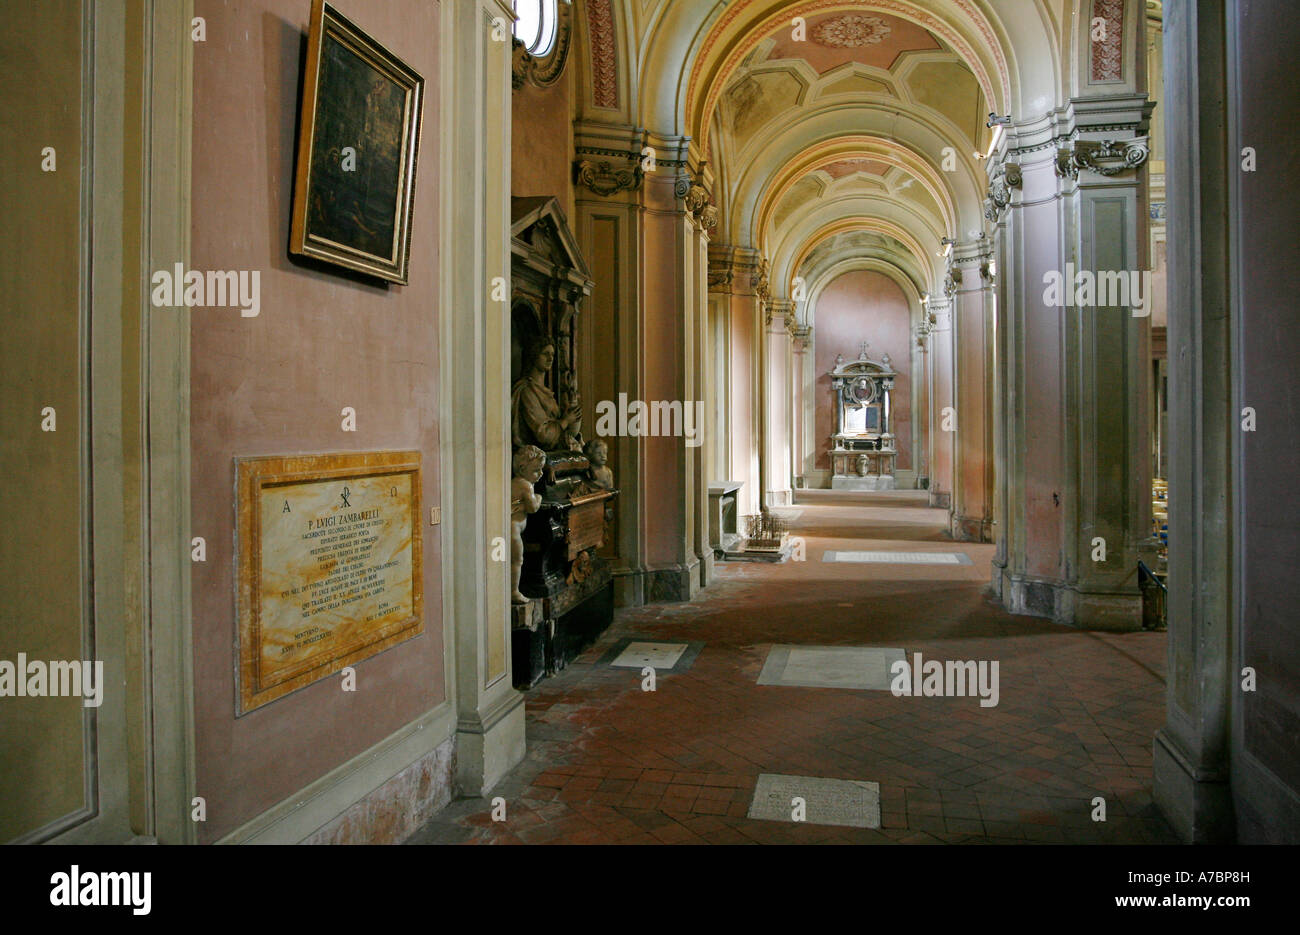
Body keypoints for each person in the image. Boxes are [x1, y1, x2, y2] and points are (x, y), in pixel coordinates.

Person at [511, 341, 583, 451]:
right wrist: (566, 421)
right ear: (533, 356)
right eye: (545, 354)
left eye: (552, 354)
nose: (550, 358)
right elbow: (543, 434)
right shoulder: (527, 391)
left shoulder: (544, 391)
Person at [510, 445, 546, 604]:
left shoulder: (515, 482)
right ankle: (514, 591)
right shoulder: (526, 485)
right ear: (522, 468)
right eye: (536, 470)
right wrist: (538, 497)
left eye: (541, 469)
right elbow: (533, 508)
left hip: (514, 528)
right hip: (513, 529)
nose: (541, 474)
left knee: (512, 561)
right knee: (516, 561)